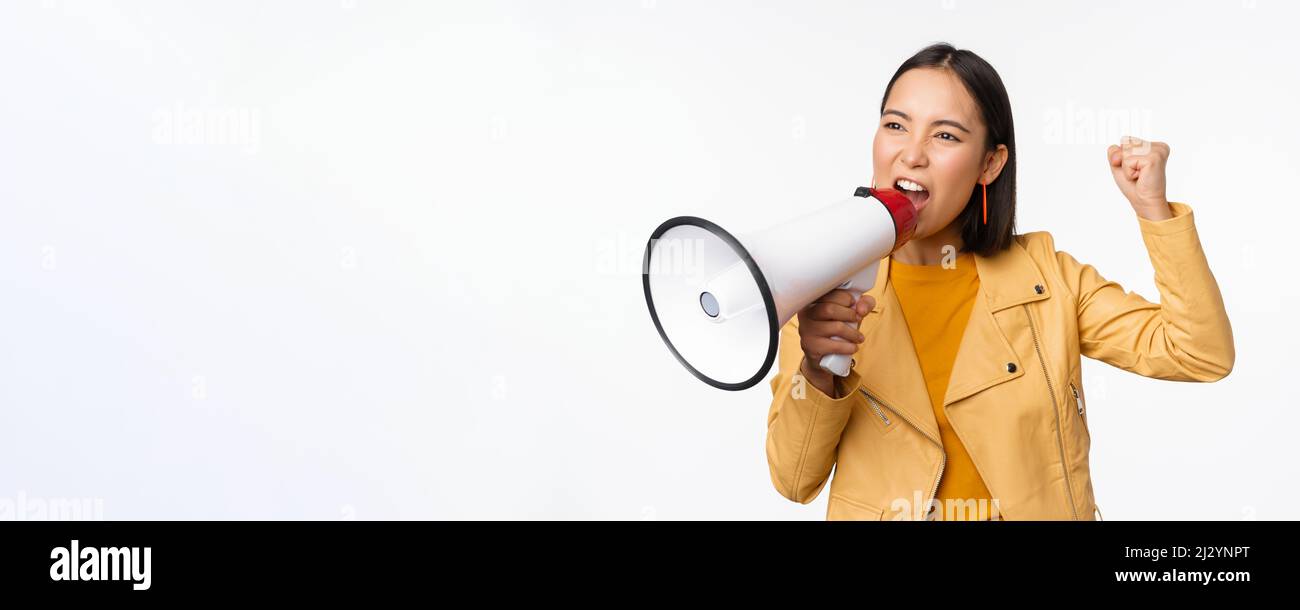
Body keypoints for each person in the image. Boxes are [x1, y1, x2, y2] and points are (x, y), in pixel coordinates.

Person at [765, 43, 1234, 521]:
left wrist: (1153, 210)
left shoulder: (1048, 278)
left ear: (990, 164)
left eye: (944, 136)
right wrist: (819, 371)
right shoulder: (821, 294)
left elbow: (1199, 352)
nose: (911, 154)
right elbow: (793, 479)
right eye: (895, 125)